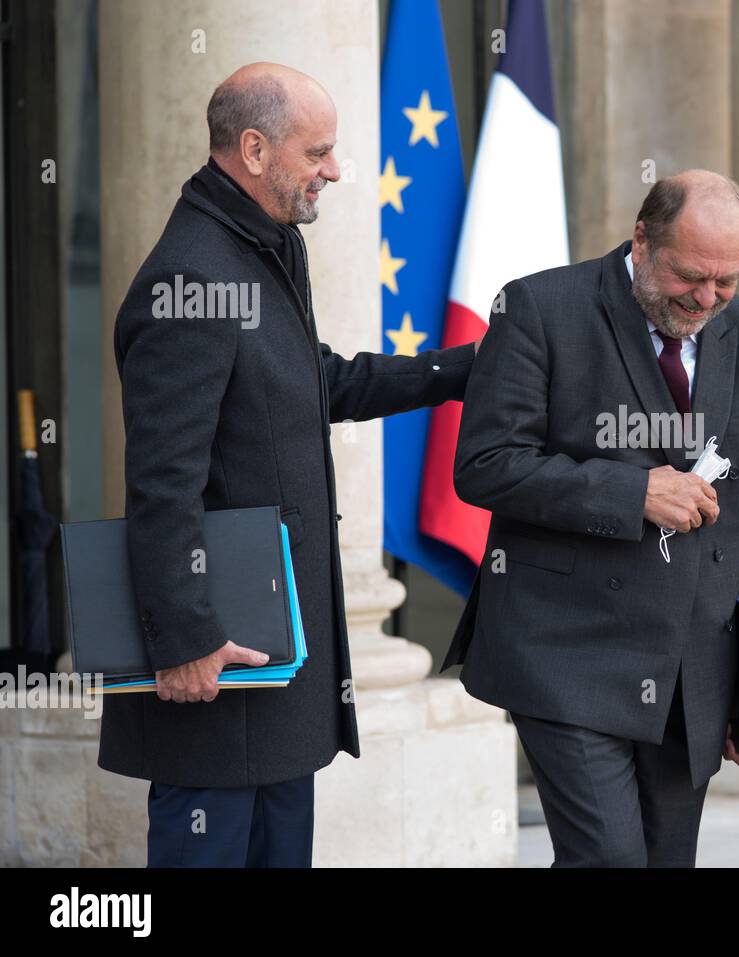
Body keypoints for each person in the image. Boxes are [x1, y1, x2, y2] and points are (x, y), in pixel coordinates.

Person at [101, 62, 476, 867]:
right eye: (319, 152)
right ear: (254, 149)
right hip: (218, 665)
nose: (335, 170)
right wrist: (185, 639)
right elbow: (163, 481)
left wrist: (457, 372)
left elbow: (316, 380)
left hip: (272, 666)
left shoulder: (261, 247)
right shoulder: (191, 275)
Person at [445, 170, 739, 867]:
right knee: (609, 859)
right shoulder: (539, 307)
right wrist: (630, 491)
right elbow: (485, 464)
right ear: (642, 239)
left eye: (726, 281)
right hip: (565, 650)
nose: (707, 299)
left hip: (692, 670)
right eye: (692, 276)